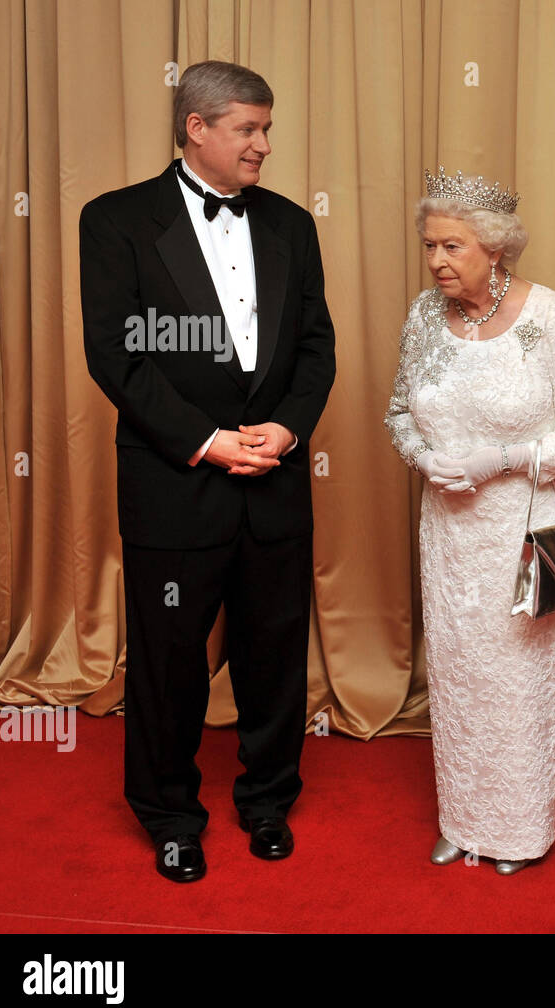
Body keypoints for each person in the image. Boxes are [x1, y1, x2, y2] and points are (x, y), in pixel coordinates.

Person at [80, 61, 336, 882]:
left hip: (275, 482)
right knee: (168, 658)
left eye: (266, 128)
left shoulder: (294, 225)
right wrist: (207, 441)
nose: (265, 144)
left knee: (272, 653)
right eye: (249, 129)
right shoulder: (115, 221)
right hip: (174, 484)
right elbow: (119, 359)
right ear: (197, 128)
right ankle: (169, 815)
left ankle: (268, 801)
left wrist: (288, 431)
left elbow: (315, 348)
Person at [385, 167, 555, 875]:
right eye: (430, 246)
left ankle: (517, 832)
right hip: (448, 537)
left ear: (496, 249)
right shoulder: (425, 318)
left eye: (452, 246)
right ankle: (463, 819)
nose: (437, 261)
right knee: (459, 678)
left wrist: (501, 459)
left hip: (533, 530)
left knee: (519, 683)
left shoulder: (550, 315)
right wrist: (424, 455)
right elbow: (398, 415)